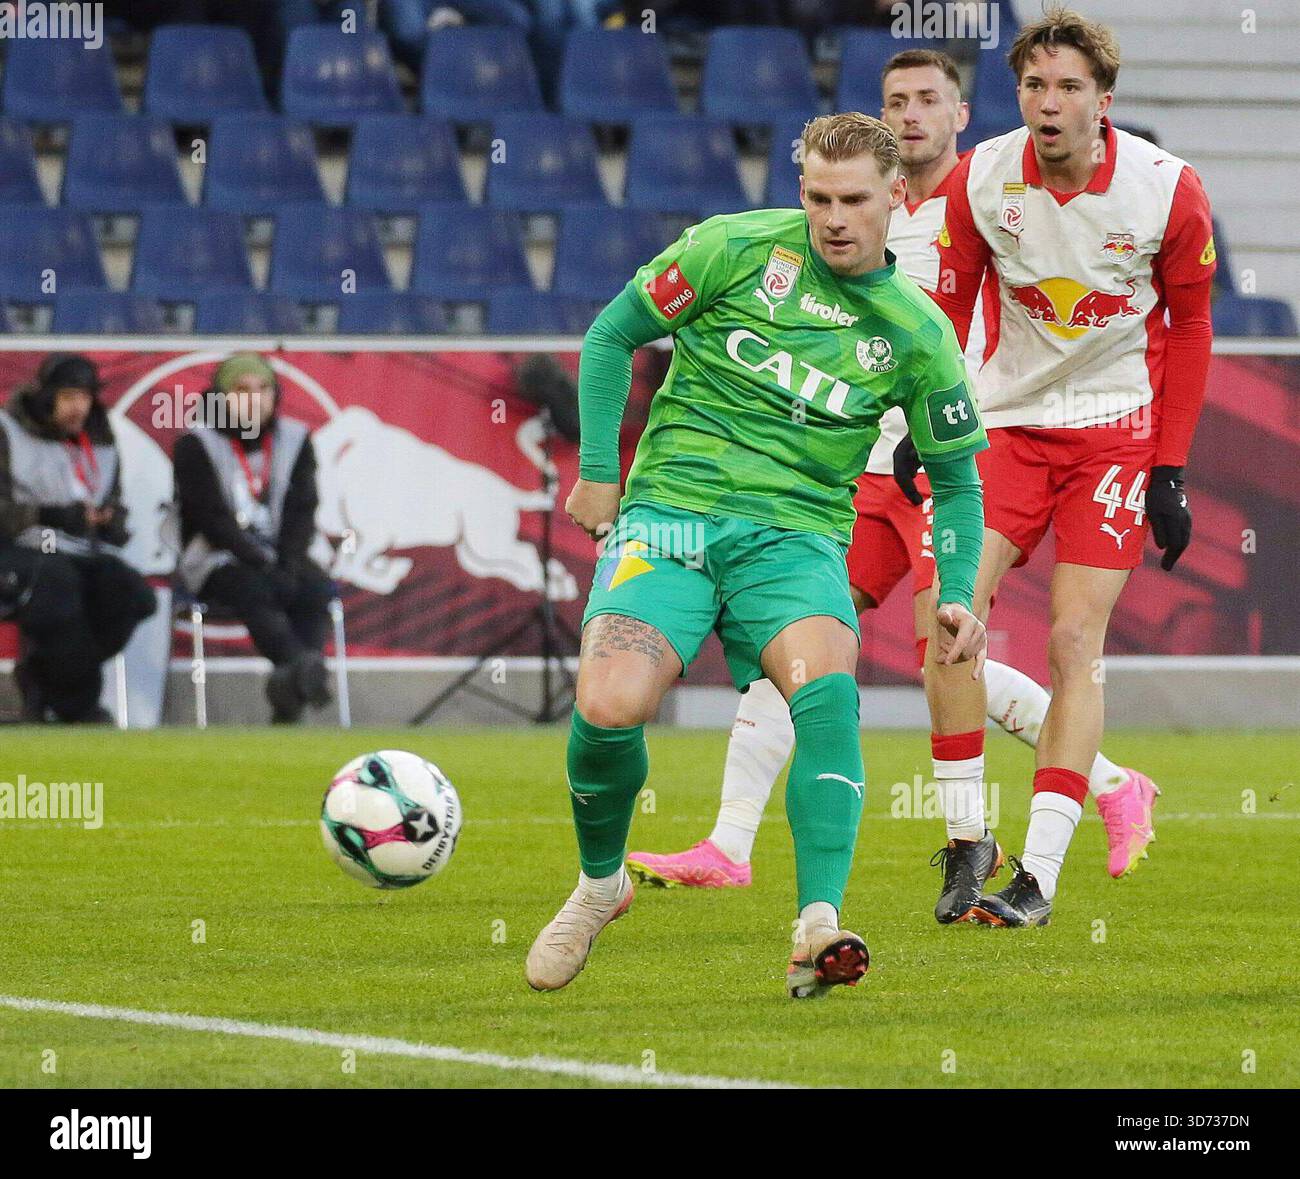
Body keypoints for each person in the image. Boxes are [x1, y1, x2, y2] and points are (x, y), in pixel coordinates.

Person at [626, 47, 1161, 913]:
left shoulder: (988, 204)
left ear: (960, 114)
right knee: (792, 639)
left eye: (927, 100)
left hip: (934, 463)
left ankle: (1098, 780)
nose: (909, 115)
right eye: (894, 100)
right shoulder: (852, 203)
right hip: (851, 466)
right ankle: (728, 842)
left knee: (939, 646)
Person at [525, 112, 989, 999]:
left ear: (896, 196)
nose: (834, 218)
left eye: (854, 199)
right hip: (672, 516)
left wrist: (960, 590)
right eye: (817, 197)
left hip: (796, 535)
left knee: (828, 685)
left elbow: (957, 483)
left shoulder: (918, 334)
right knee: (609, 703)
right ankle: (599, 886)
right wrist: (595, 473)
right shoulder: (729, 249)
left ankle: (817, 923)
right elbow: (609, 337)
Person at [928, 7, 1215, 926]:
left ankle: (1040, 875)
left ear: (1104, 101)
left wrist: (1169, 470)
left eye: (1068, 88)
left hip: (1114, 433)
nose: (1047, 105)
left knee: (1071, 642)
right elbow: (946, 306)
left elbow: (1194, 326)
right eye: (1033, 86)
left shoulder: (1167, 191)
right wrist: (927, 417)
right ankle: (968, 839)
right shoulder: (981, 177)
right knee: (952, 619)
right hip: (1005, 426)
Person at [173, 354, 333, 725]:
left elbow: (302, 508)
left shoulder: (295, 439)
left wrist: (287, 562)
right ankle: (300, 668)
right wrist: (260, 559)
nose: (254, 399)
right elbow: (209, 517)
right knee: (253, 586)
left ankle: (290, 696)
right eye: (241, 391)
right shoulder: (195, 444)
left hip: (282, 554)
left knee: (314, 588)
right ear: (220, 397)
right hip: (218, 557)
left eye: (263, 390)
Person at [0, 354, 156, 723]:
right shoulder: (7, 430)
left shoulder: (100, 438)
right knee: (59, 587)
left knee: (133, 595)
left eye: (85, 398)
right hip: (15, 547)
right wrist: (51, 515)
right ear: (45, 396)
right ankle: (79, 707)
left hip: (77, 549)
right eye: (69, 397)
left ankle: (44, 678)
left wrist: (111, 522)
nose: (78, 408)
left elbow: (112, 501)